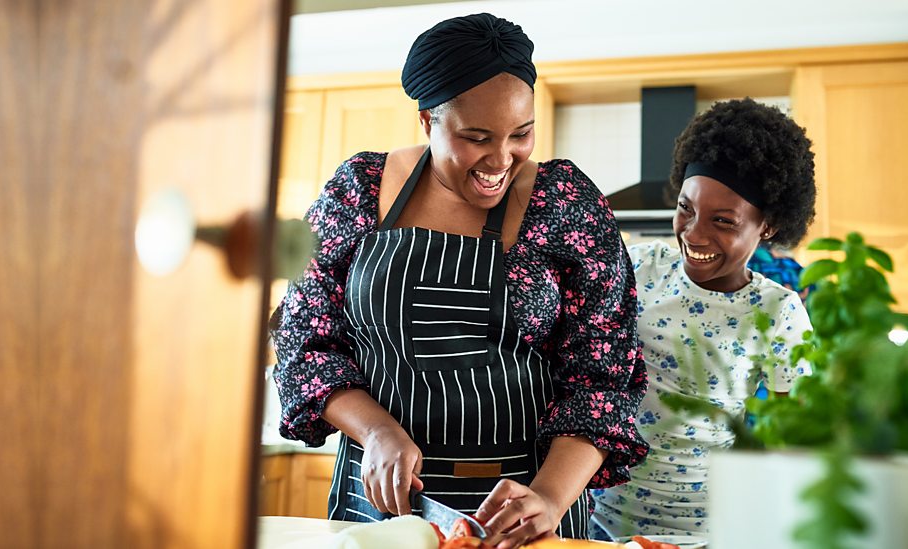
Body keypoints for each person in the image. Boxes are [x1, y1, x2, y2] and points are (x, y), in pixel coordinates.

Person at [273, 13, 648, 547]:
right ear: (427, 122)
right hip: (385, 504)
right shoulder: (359, 189)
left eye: (521, 133)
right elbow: (303, 342)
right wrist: (376, 430)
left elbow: (603, 379)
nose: (501, 159)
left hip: (526, 507)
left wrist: (547, 497)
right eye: (476, 137)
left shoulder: (565, 204)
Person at [591, 98, 817, 538]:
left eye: (723, 221)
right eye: (686, 208)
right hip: (603, 522)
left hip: (710, 531)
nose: (694, 234)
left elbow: (796, 436)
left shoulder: (778, 311)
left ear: (766, 226)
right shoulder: (635, 268)